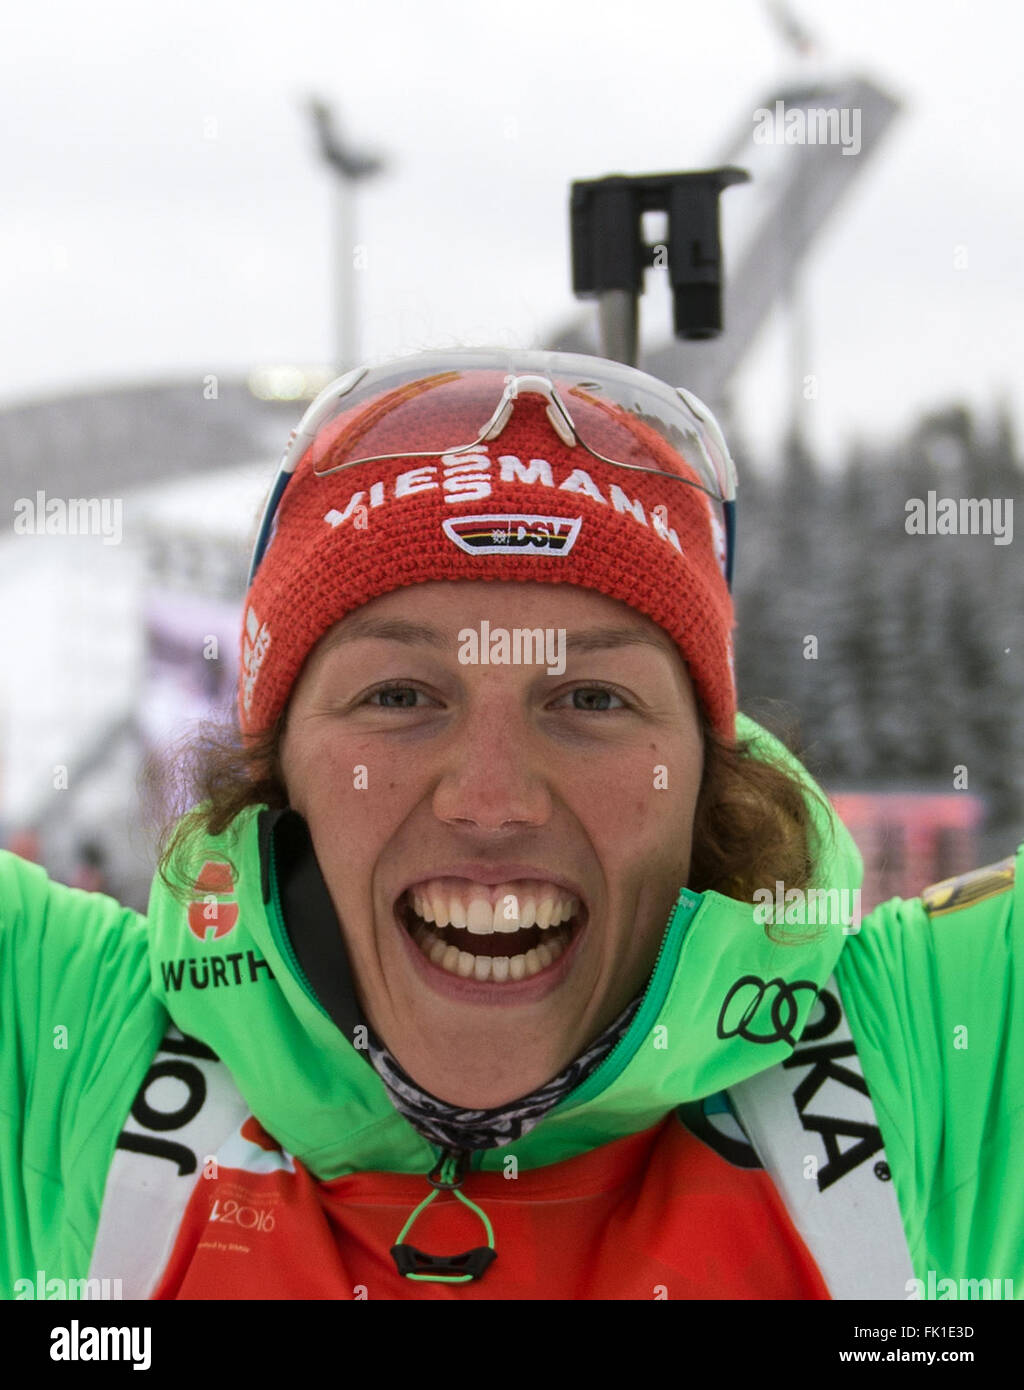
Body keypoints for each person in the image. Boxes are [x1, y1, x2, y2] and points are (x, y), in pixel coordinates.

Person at [1, 349, 1020, 1301]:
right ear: (280, 778)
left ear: (709, 777)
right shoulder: (77, 1059)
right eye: (400, 697)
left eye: (591, 699)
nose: (492, 798)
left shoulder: (918, 1068)